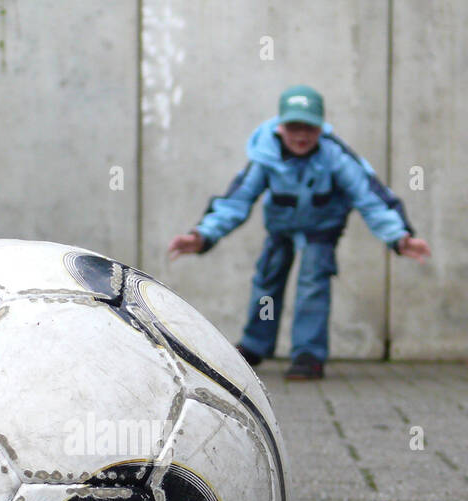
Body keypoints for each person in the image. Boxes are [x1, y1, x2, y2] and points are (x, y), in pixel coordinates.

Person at [168, 84, 431, 380]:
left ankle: (308, 354)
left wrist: (398, 236)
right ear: (280, 127)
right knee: (267, 282)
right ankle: (255, 344)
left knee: (312, 286)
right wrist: (202, 235)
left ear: (322, 128)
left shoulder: (335, 156)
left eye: (310, 127)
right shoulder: (265, 156)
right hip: (281, 230)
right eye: (294, 126)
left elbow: (370, 196)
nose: (302, 135)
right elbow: (237, 200)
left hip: (321, 231)